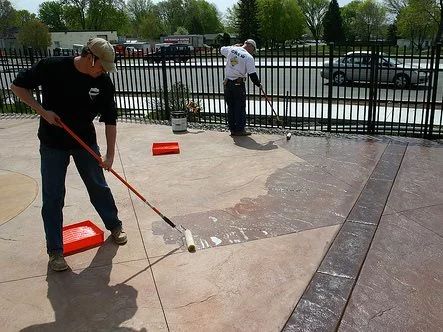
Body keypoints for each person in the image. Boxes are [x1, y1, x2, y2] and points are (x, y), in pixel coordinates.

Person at [10, 38, 127, 272]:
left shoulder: (103, 82)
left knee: (98, 186)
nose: (103, 71)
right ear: (90, 57)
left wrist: (109, 156)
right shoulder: (52, 67)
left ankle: (114, 225)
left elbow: (110, 120)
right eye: (101, 65)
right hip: (53, 144)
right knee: (53, 196)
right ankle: (55, 251)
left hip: (85, 142)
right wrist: (43, 111)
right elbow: (17, 87)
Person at [220, 39, 261, 136]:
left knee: (231, 107)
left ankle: (232, 129)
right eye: (253, 50)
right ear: (250, 46)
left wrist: (234, 46)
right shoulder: (248, 57)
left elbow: (221, 49)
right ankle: (240, 129)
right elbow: (253, 75)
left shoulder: (232, 49)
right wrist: (259, 84)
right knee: (240, 107)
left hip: (227, 84)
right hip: (238, 85)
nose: (252, 53)